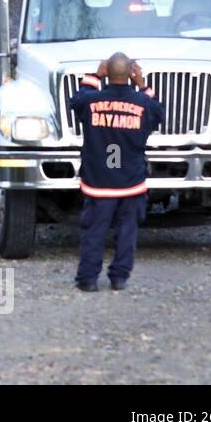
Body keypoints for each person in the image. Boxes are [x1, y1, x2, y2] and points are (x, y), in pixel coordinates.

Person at [67, 53, 165, 291]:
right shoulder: (142, 104)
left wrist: (94, 76)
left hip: (98, 181)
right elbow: (159, 112)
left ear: (107, 72)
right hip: (130, 182)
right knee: (127, 231)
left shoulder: (91, 102)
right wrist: (143, 84)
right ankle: (119, 277)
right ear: (130, 74)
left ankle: (88, 279)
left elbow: (76, 100)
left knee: (94, 231)